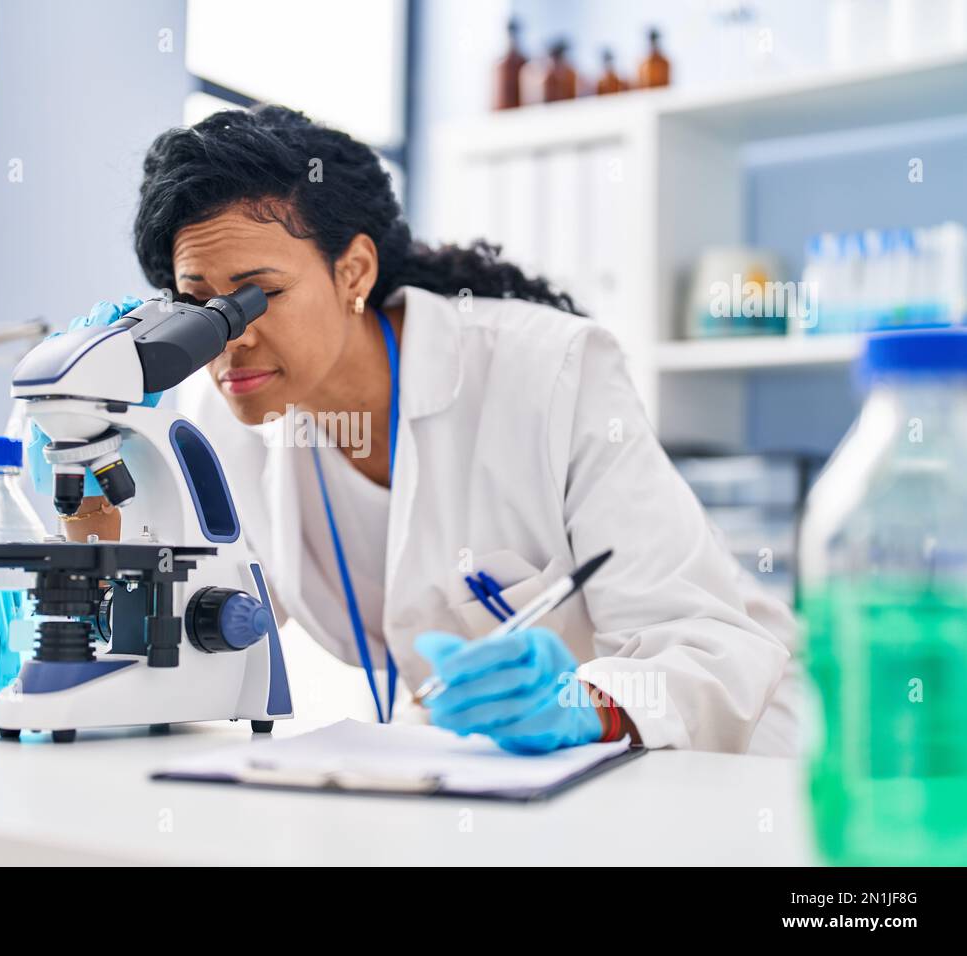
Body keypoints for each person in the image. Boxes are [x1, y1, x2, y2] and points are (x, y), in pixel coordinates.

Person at [39, 105, 800, 756]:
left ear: (353, 273)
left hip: (717, 771)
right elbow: (185, 630)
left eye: (257, 296)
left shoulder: (553, 372)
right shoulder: (225, 417)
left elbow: (712, 643)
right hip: (484, 773)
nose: (227, 339)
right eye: (194, 303)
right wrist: (97, 440)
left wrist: (586, 706)